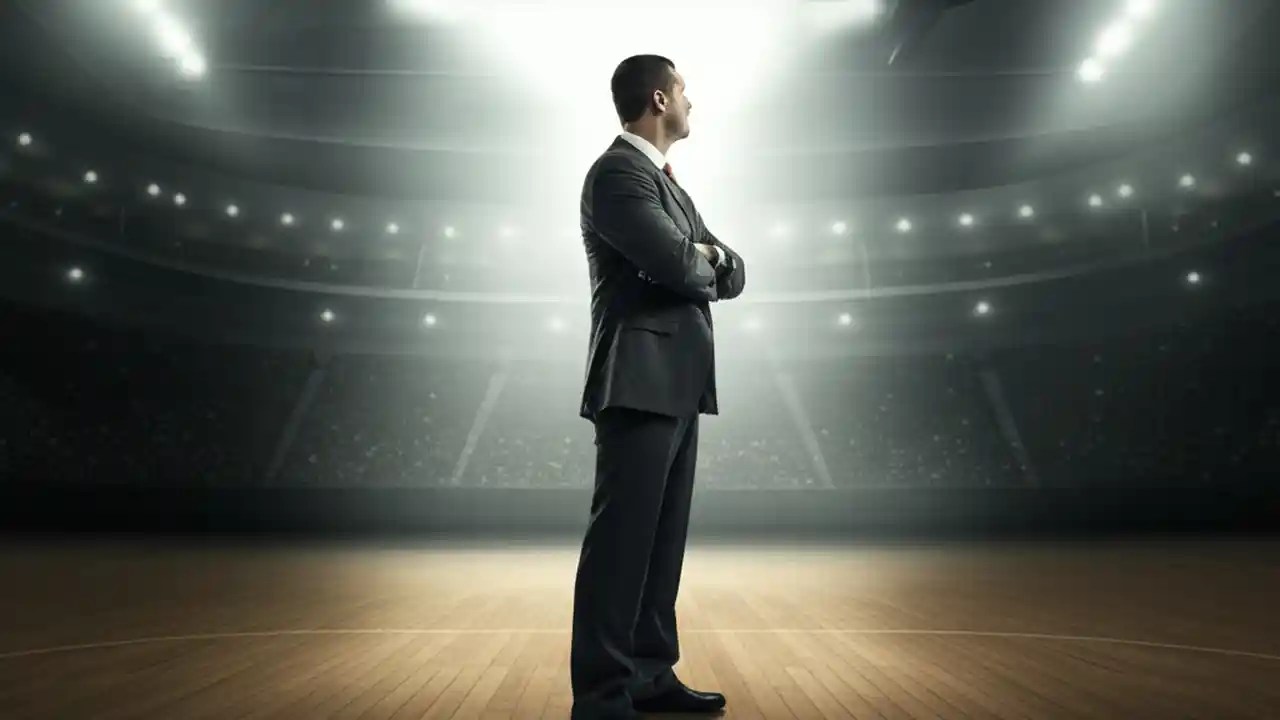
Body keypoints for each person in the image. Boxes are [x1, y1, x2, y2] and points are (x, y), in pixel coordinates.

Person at [571, 54, 746, 720]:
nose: (690, 103)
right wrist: (698, 256)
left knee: (661, 544)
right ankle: (601, 696)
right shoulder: (617, 175)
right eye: (683, 92)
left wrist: (705, 257)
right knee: (621, 547)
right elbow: (678, 261)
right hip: (639, 379)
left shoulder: (665, 184)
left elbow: (731, 272)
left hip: (677, 382)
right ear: (657, 98)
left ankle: (648, 676)